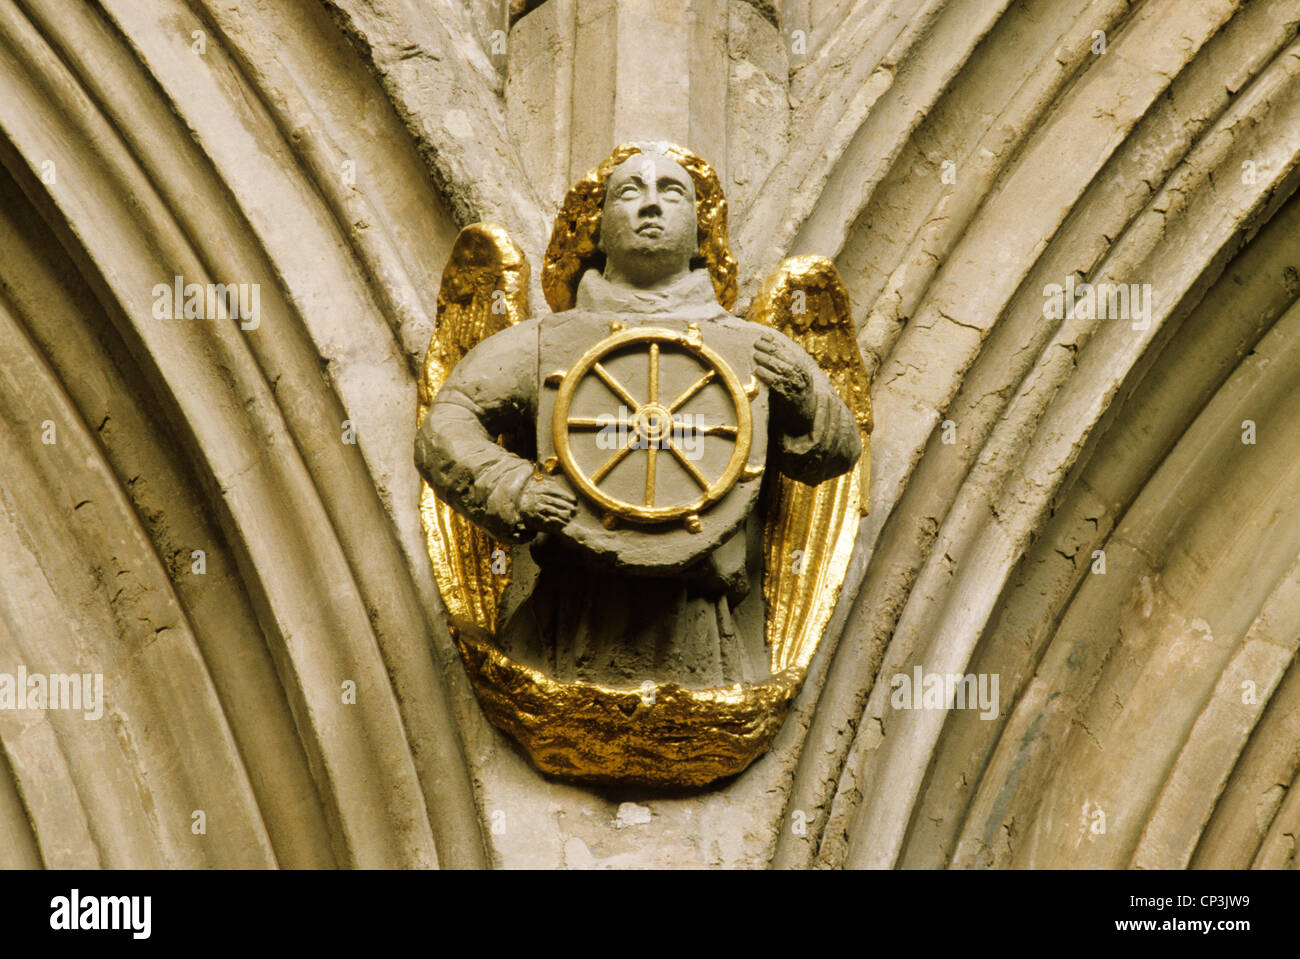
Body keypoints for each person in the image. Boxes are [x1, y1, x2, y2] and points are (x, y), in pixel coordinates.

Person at [416, 146, 859, 688]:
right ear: (595, 229)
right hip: (575, 605)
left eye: (671, 193)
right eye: (630, 193)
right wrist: (515, 488)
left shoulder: (753, 348)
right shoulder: (542, 344)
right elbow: (447, 424)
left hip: (698, 611)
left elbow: (836, 452)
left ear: (702, 229)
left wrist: (805, 394)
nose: (651, 206)